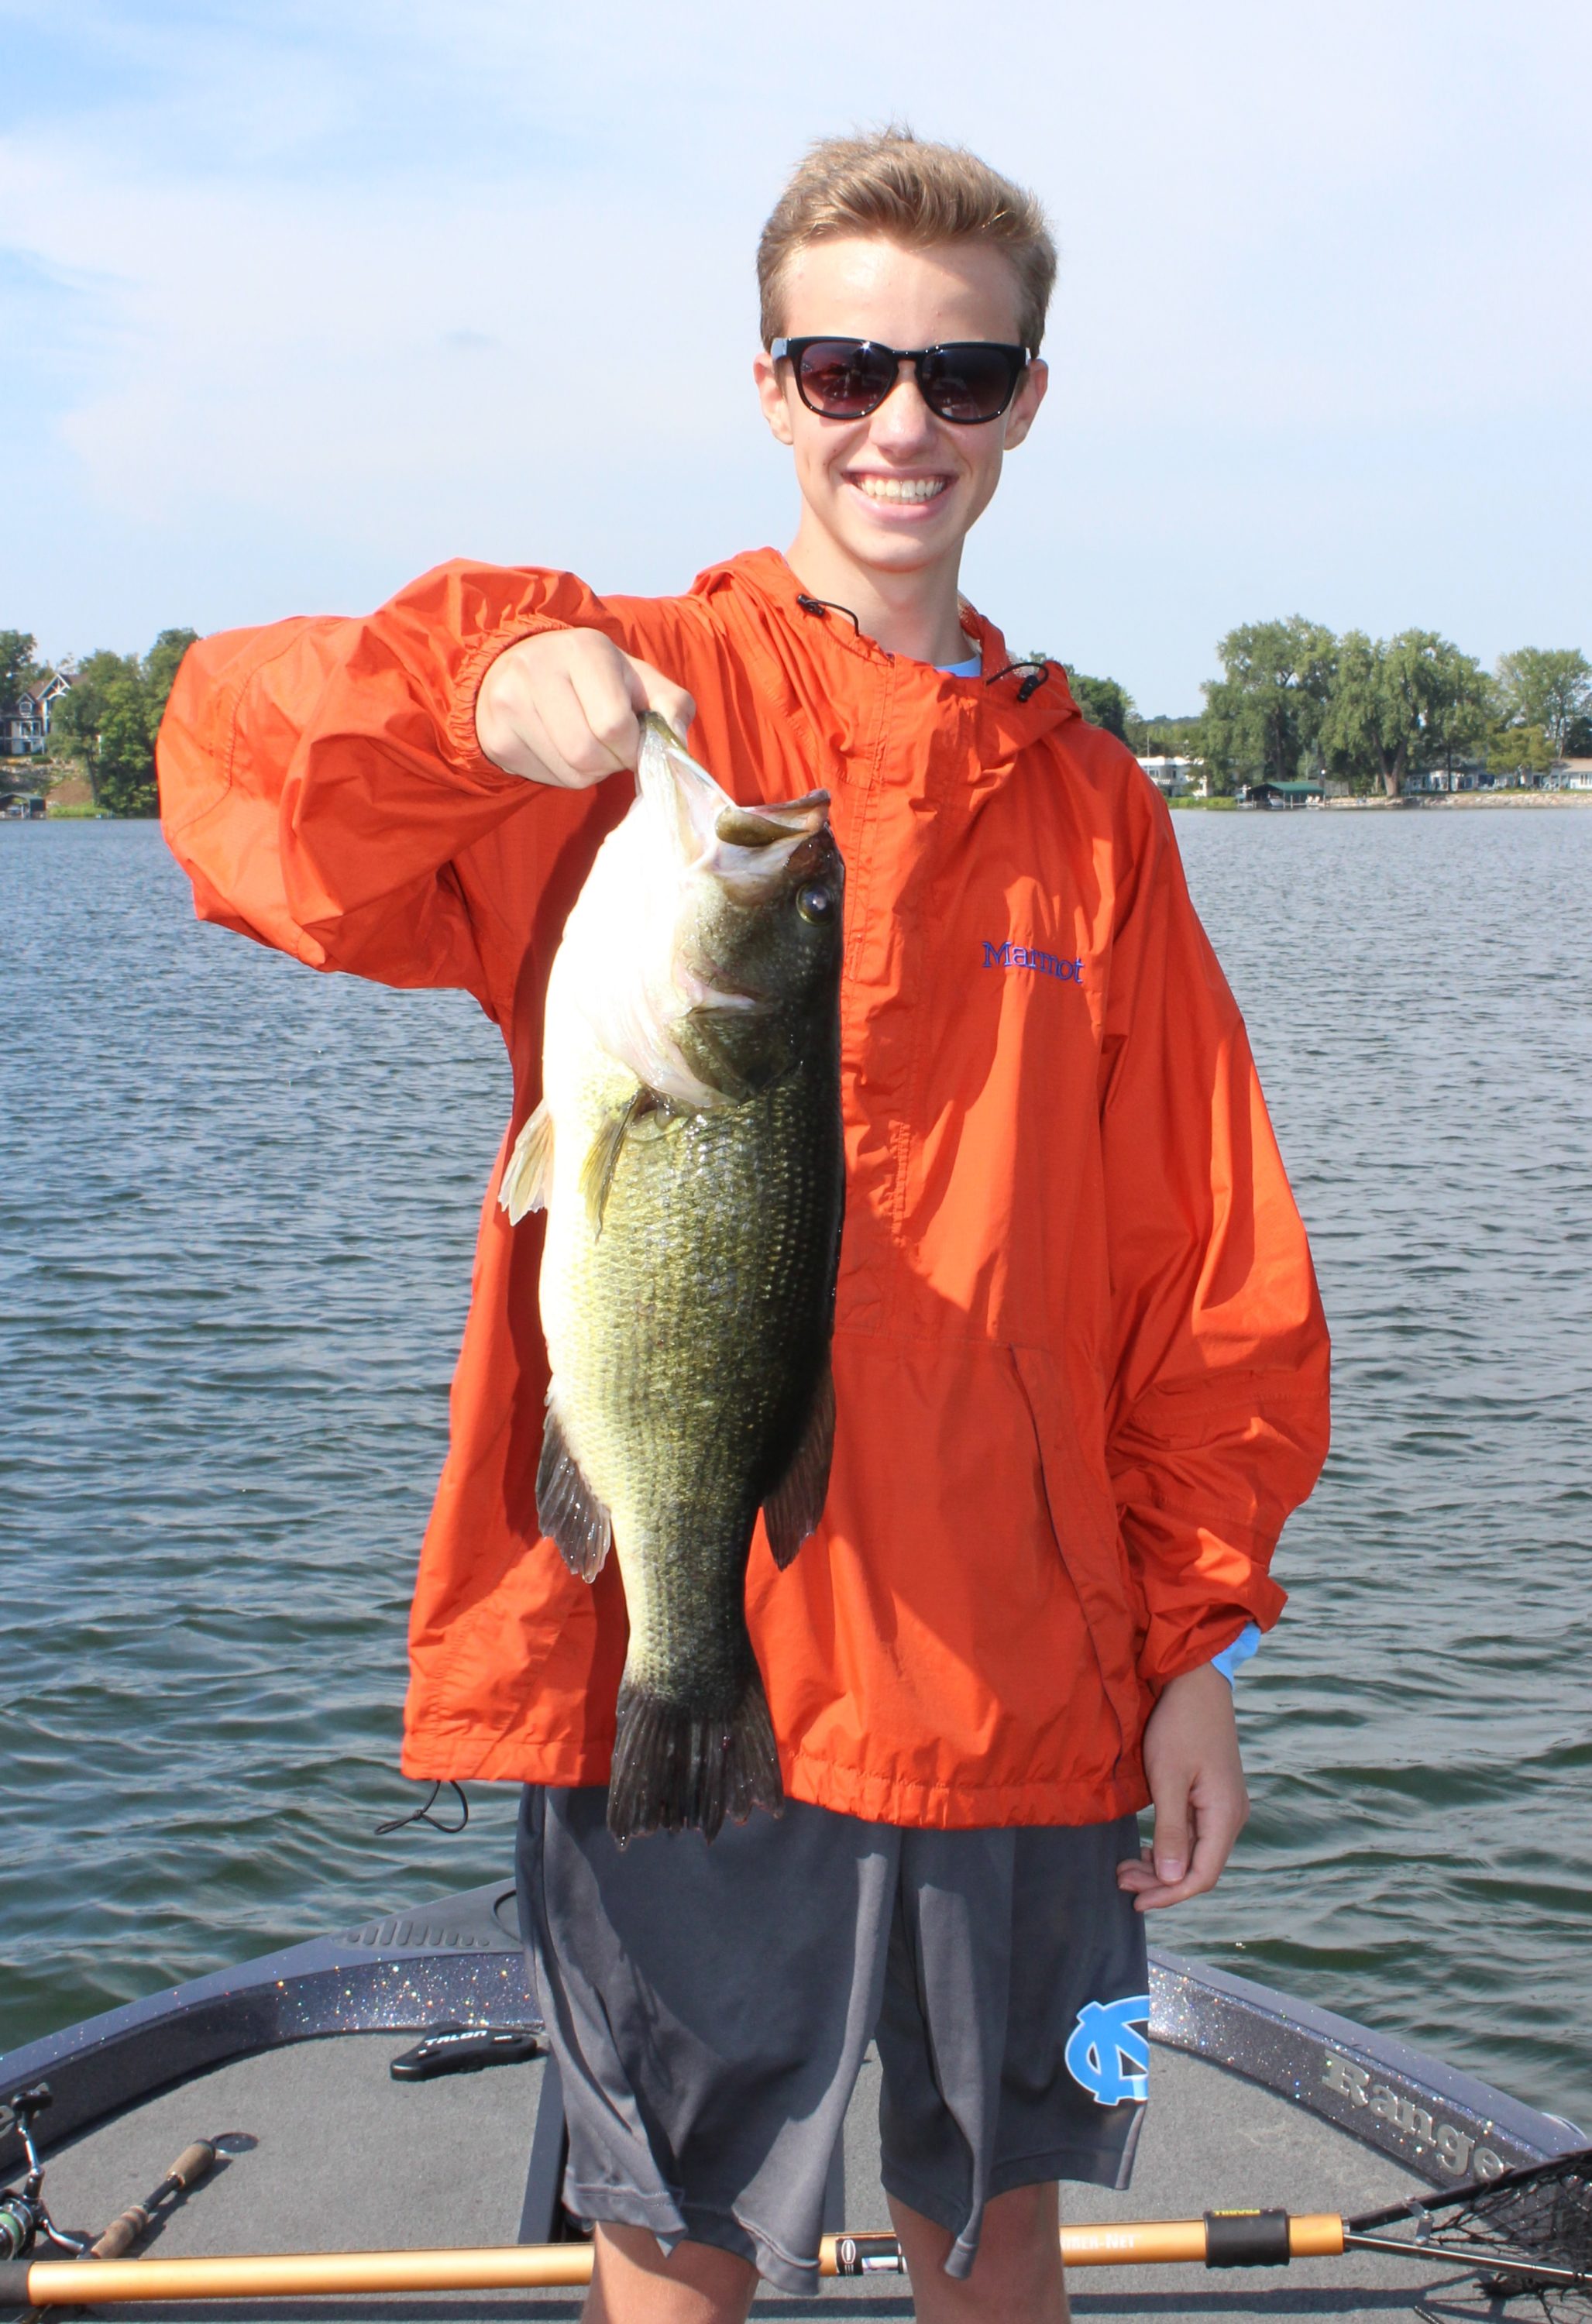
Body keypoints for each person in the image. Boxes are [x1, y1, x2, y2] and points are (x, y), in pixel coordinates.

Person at [159, 129, 1329, 2324]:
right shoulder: (626, 716)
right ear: (772, 385)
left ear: (1026, 405)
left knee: (1001, 2225)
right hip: (696, 1663)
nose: (904, 423)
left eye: (962, 379)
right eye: (847, 364)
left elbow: (1212, 1271)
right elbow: (234, 772)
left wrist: (1200, 1646)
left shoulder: (1094, 811)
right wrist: (478, 693)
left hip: (1026, 1681)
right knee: (678, 2232)